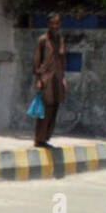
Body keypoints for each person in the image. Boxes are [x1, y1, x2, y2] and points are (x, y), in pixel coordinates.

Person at [32, 12, 67, 147]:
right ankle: (39, 138)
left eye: (57, 23)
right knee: (46, 108)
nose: (54, 26)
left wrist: (63, 78)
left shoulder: (60, 39)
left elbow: (63, 59)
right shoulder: (43, 40)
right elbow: (37, 60)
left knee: (55, 108)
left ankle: (46, 138)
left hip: (57, 79)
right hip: (46, 78)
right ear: (48, 24)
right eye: (52, 23)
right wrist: (39, 79)